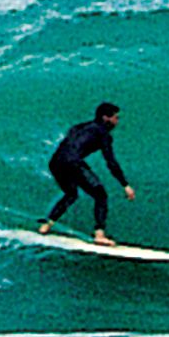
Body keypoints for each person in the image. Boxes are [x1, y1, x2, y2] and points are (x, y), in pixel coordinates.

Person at [37, 102, 135, 244]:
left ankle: (46, 225)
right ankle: (99, 235)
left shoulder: (80, 127)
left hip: (55, 162)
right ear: (105, 118)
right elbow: (111, 162)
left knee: (71, 194)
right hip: (73, 162)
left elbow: (69, 140)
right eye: (115, 118)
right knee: (100, 195)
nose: (117, 122)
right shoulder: (104, 134)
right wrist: (125, 185)